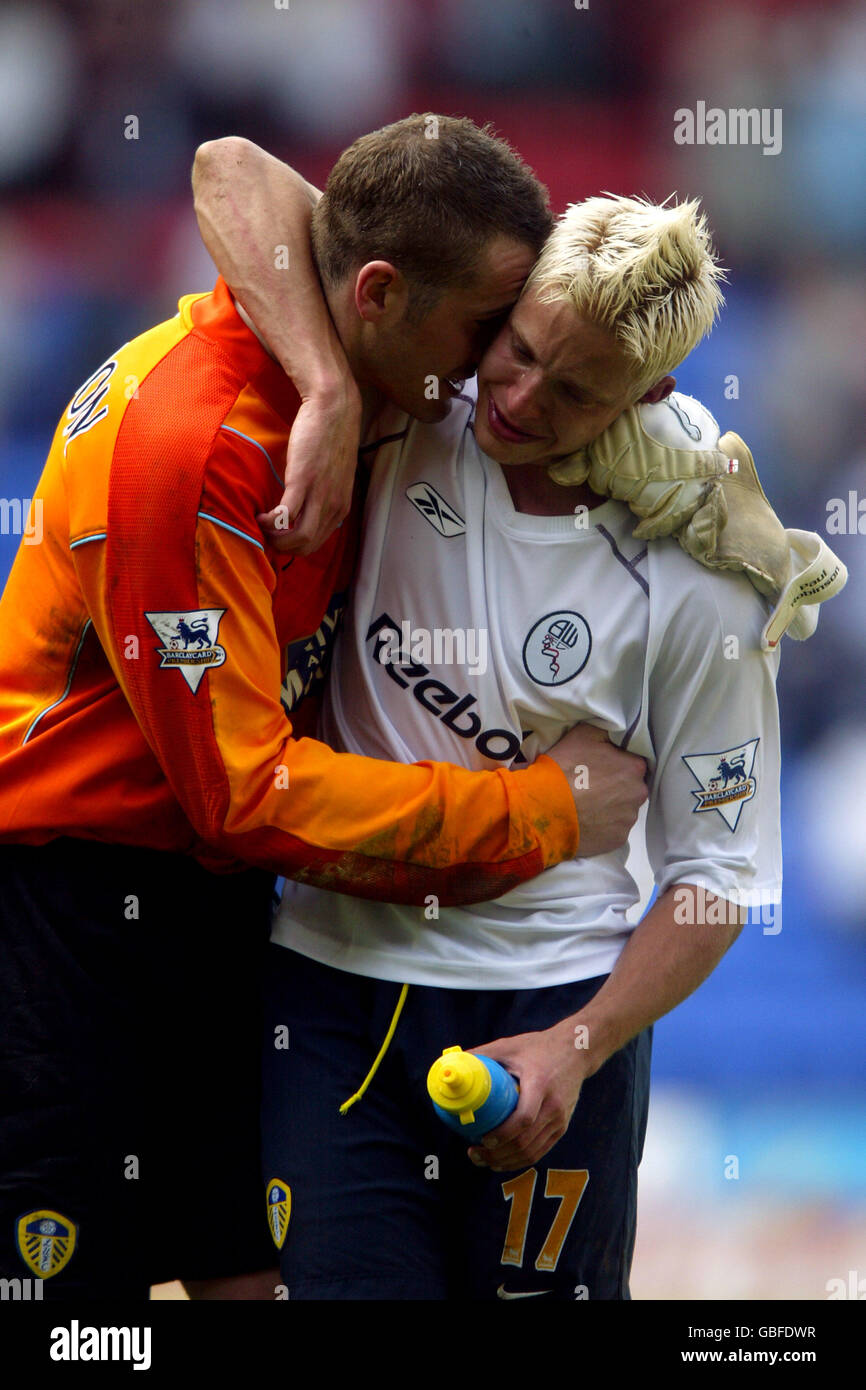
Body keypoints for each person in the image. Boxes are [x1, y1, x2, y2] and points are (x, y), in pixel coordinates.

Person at [0, 116, 649, 1303]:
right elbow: (248, 793)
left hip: (211, 912)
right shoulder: (196, 454)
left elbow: (235, 168)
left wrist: (326, 385)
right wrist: (540, 813)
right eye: (483, 331)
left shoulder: (339, 353)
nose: (498, 366)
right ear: (380, 294)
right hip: (69, 922)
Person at [195, 159, 784, 1299]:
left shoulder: (703, 572)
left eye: (573, 390)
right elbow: (231, 177)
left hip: (554, 1007)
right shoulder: (415, 404)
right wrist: (323, 386)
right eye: (517, 348)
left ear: (649, 394)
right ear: (505, 305)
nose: (515, 398)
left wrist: (582, 1044)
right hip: (335, 985)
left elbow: (718, 878)